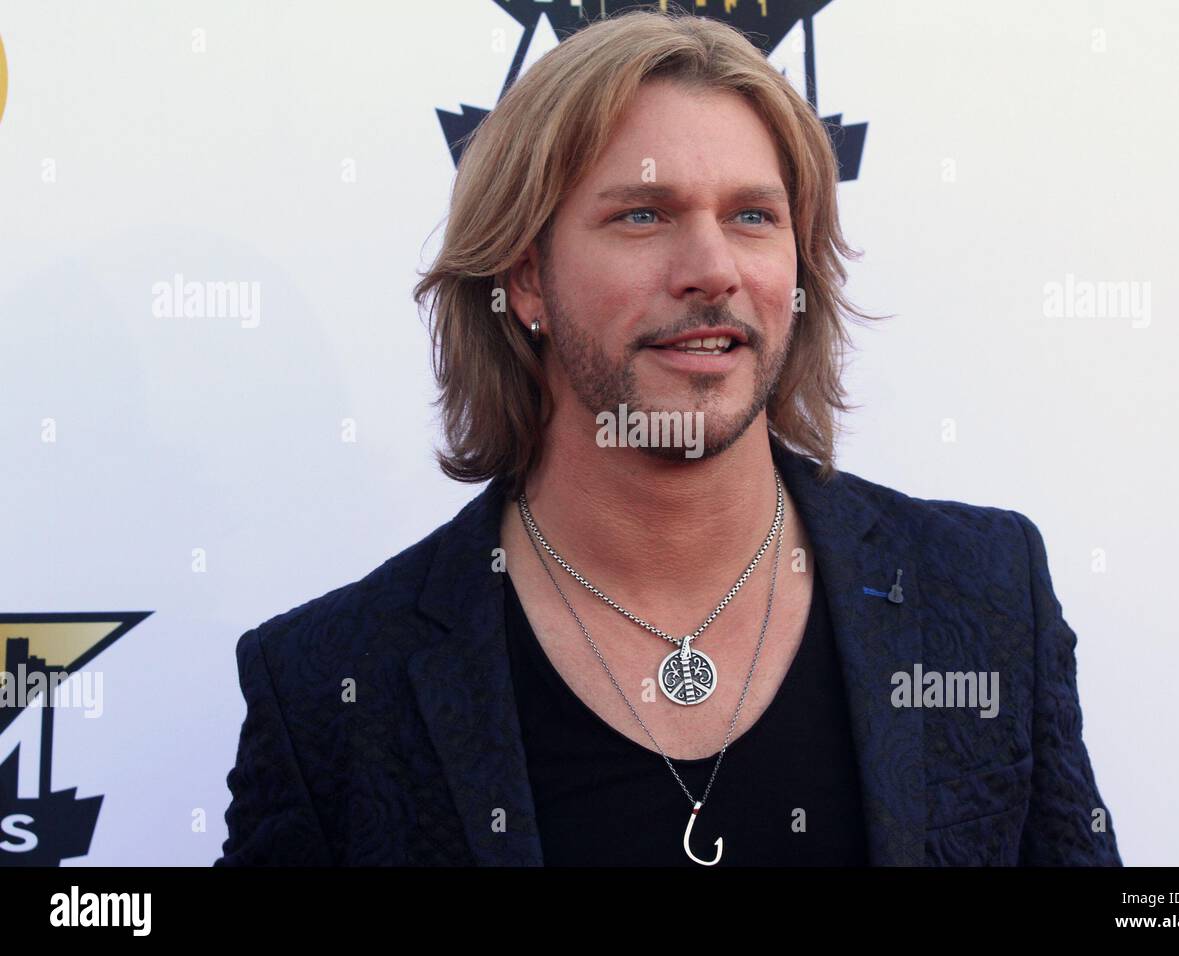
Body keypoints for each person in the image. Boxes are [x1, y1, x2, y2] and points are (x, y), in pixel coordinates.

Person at [215, 9, 1121, 866]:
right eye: (643, 215)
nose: (713, 269)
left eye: (752, 217)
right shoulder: (334, 686)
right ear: (526, 279)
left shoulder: (987, 598)